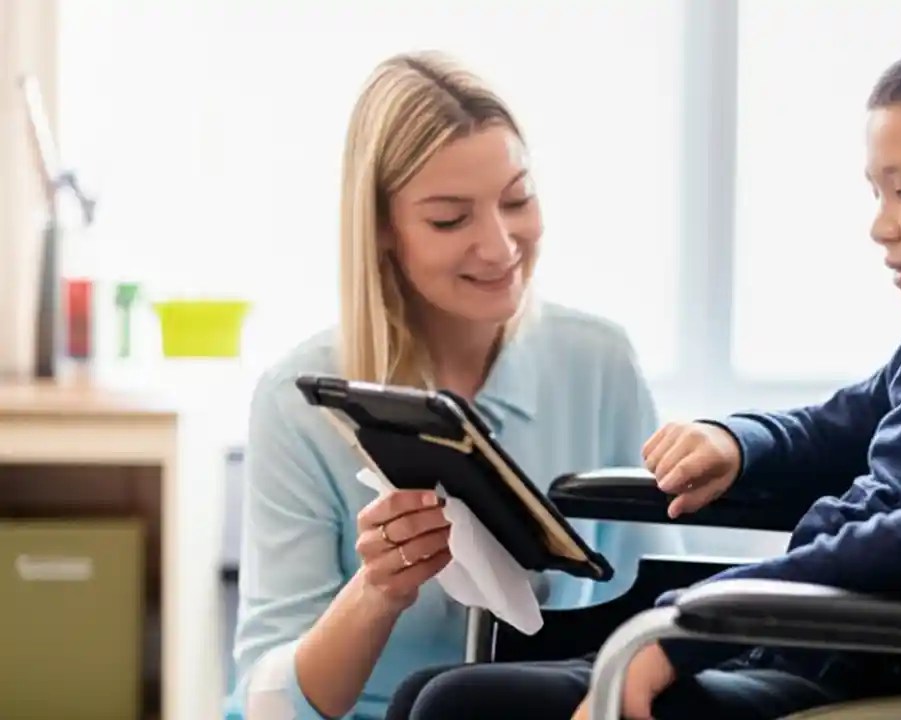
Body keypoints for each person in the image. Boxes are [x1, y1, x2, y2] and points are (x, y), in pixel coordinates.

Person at [388, 28, 901, 720]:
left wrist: (696, 621)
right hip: (810, 655)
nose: (880, 224)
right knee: (428, 691)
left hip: (888, 679)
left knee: (463, 703)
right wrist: (738, 442)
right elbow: (837, 427)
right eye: (876, 193)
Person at [224, 51, 686, 720]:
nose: (500, 247)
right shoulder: (297, 405)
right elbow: (266, 705)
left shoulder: (598, 362)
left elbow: (652, 602)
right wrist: (378, 590)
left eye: (517, 200)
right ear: (383, 230)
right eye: (450, 219)